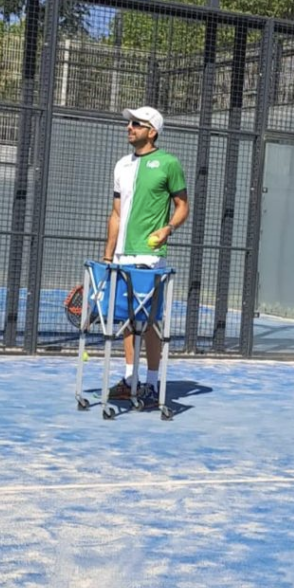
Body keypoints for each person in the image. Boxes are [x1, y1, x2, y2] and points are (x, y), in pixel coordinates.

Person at [103, 105, 188, 404]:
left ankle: (151, 383)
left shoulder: (168, 164)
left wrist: (168, 230)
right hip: (122, 256)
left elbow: (182, 206)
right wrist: (108, 255)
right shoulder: (121, 166)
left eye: (137, 123)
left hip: (150, 257)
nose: (130, 127)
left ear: (152, 131)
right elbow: (116, 214)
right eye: (130, 123)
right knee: (127, 320)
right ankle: (130, 380)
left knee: (149, 321)